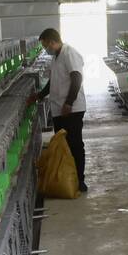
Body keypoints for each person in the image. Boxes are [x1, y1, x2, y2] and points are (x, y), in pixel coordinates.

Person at [31, 27, 88, 192]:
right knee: (64, 145)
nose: (44, 49)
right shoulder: (56, 57)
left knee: (75, 144)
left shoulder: (69, 53)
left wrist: (69, 102)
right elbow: (53, 82)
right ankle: (67, 176)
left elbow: (77, 77)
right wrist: (39, 95)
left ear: (51, 42)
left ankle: (79, 180)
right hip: (59, 109)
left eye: (45, 46)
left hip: (72, 109)